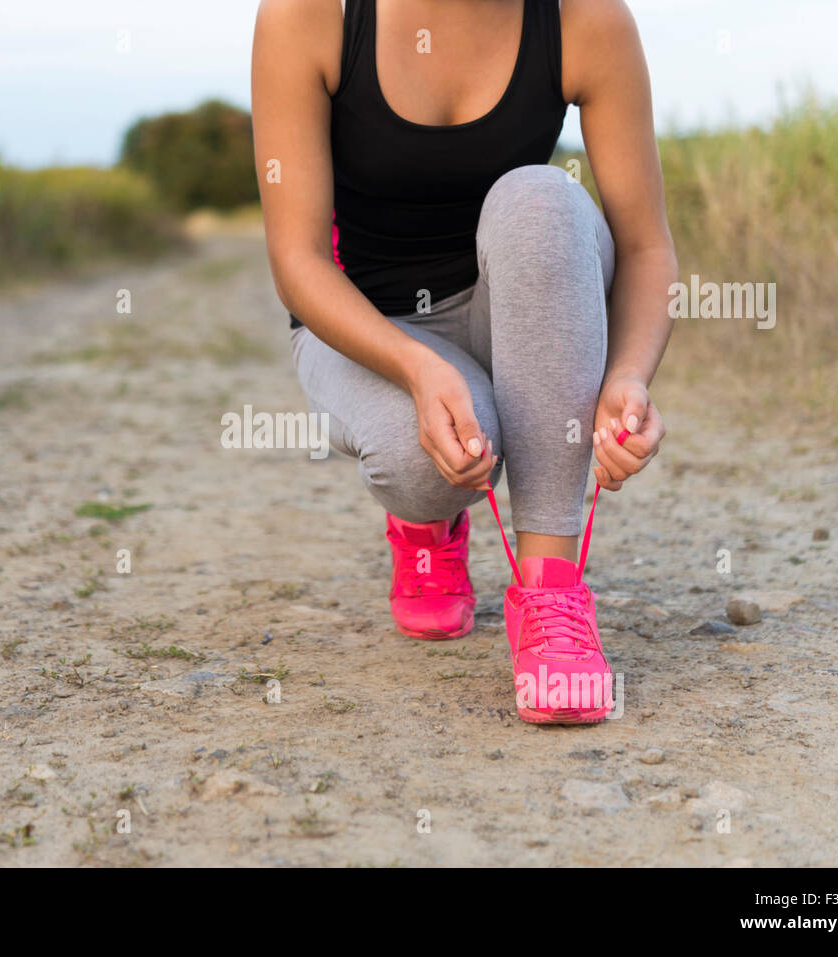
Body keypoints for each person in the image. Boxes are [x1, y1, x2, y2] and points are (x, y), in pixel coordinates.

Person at [251, 0, 677, 722]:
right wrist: (415, 368)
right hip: (368, 324)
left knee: (540, 196)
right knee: (425, 466)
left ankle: (550, 595)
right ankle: (427, 526)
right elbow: (297, 262)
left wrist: (628, 374)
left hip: (508, 306)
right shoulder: (310, 14)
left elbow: (644, 247)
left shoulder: (586, 20)